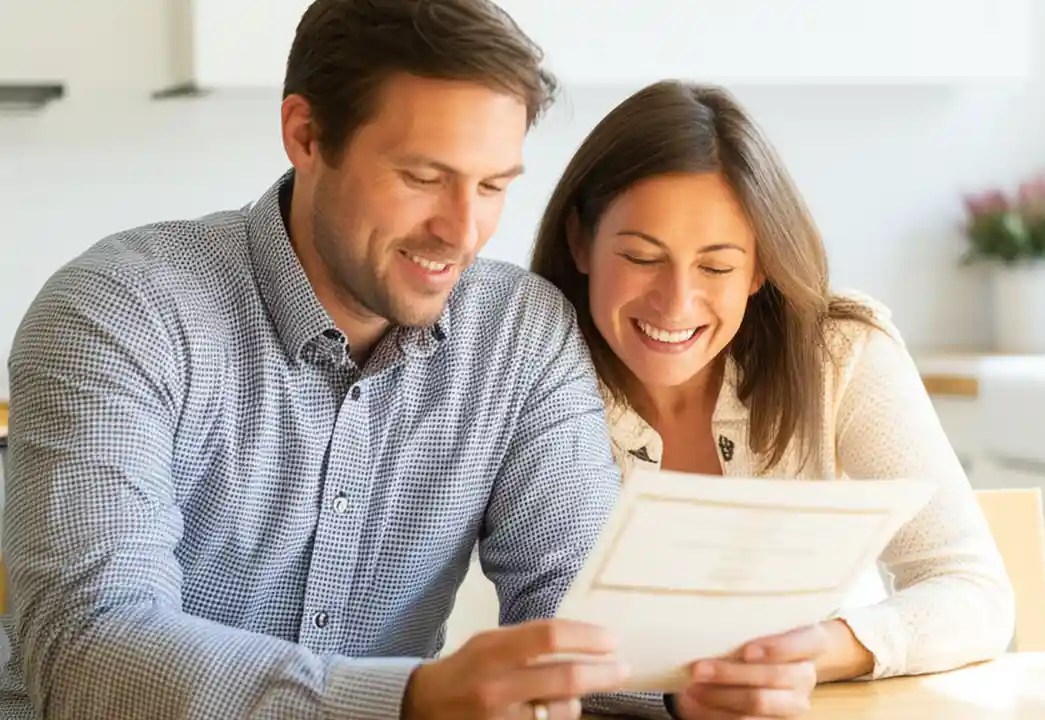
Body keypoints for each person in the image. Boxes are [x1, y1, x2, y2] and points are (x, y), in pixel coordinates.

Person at [0, 1, 667, 718]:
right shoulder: (122, 312)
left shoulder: (520, 334)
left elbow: (585, 626)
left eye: (493, 185)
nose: (462, 231)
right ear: (306, 134)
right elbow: (87, 645)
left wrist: (695, 688)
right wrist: (406, 701)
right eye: (421, 177)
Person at [530, 80, 1017, 719]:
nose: (675, 304)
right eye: (643, 257)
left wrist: (815, 650)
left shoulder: (840, 354)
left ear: (760, 266)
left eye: (716, 267)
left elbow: (976, 592)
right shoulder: (536, 369)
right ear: (580, 242)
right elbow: (550, 633)